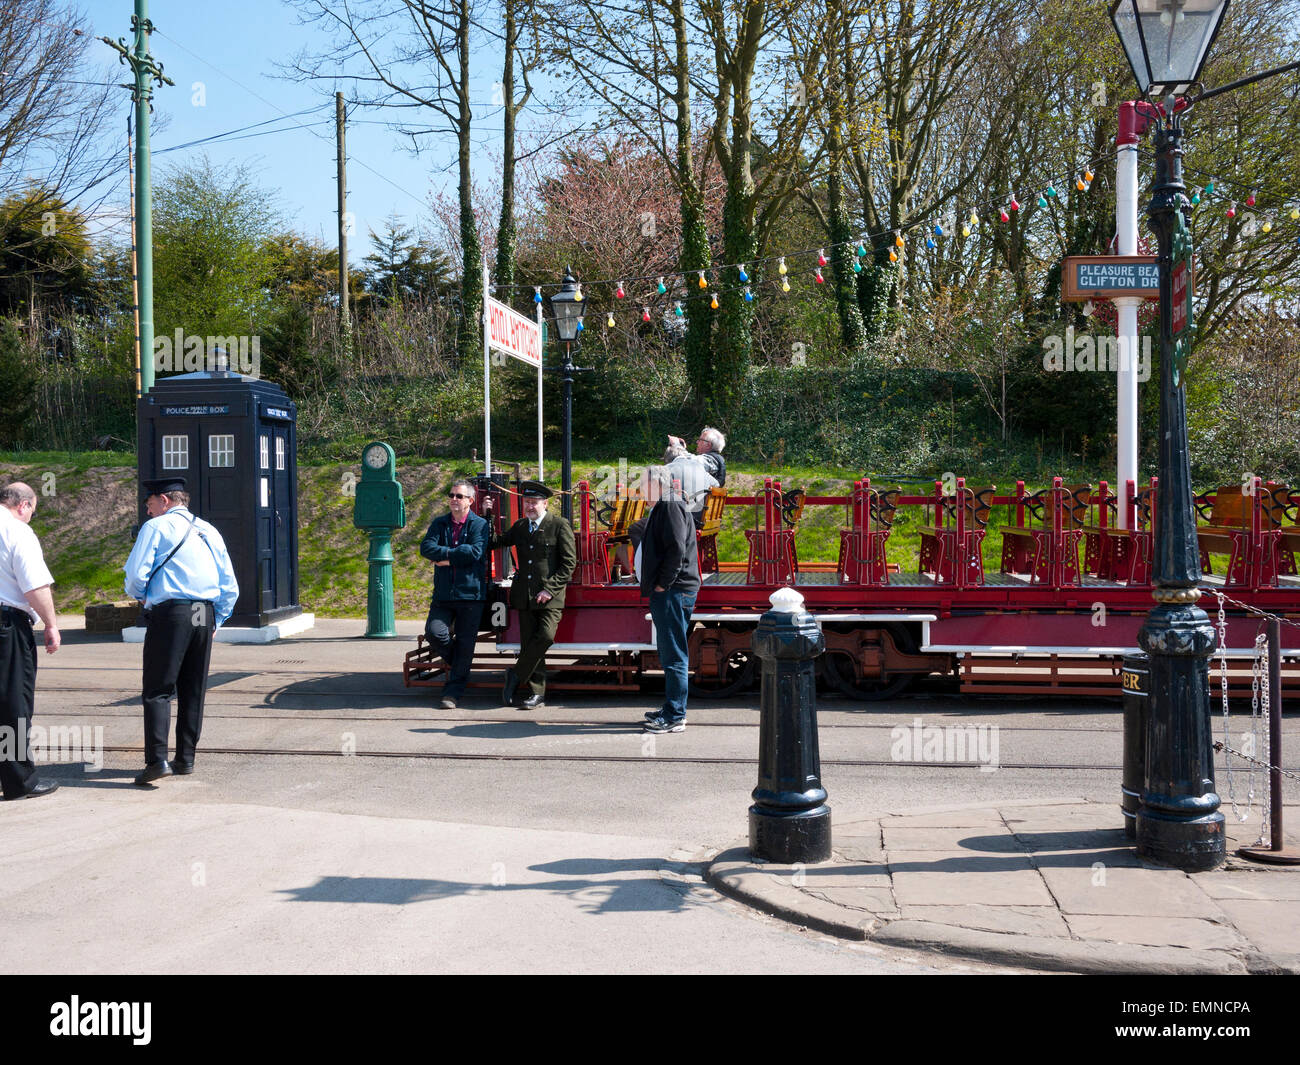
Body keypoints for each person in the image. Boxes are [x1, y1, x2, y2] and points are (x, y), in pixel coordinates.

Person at [123, 477, 239, 786]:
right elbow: (229, 584)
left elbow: (136, 575)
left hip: (172, 611)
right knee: (194, 689)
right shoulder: (209, 530)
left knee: (158, 689)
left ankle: (157, 760)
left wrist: (142, 598)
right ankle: (185, 759)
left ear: (163, 500)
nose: (147, 512)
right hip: (205, 611)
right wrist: (218, 619)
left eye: (149, 505)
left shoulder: (156, 528)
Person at [485, 481, 575, 710]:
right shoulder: (521, 526)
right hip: (524, 597)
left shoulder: (559, 525)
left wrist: (549, 589)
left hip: (550, 597)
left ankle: (515, 675)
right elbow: (495, 542)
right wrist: (488, 516)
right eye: (527, 502)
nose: (530, 506)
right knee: (529, 646)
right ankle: (537, 694)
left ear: (545, 503)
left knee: (545, 637)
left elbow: (568, 563)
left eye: (534, 502)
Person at [0, 482, 61, 800]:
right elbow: (34, 585)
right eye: (32, 512)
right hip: (6, 626)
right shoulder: (16, 531)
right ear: (22, 505)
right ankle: (18, 780)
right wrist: (51, 624)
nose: (31, 519)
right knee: (13, 706)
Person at [637, 466, 699, 734]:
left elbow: (676, 549)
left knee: (673, 653)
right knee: (670, 651)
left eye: (642, 485)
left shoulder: (670, 505)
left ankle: (675, 715)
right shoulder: (668, 503)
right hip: (671, 590)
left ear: (656, 484)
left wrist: (663, 584)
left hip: (673, 591)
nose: (639, 490)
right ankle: (672, 708)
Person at [419, 478, 490, 709]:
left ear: (470, 500)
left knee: (466, 642)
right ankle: (461, 665)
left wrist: (446, 558)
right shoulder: (439, 524)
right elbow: (426, 548)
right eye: (451, 495)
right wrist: (455, 553)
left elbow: (476, 552)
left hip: (471, 595)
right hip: (443, 594)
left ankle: (452, 693)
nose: (453, 500)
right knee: (434, 632)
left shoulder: (479, 525)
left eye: (459, 496)